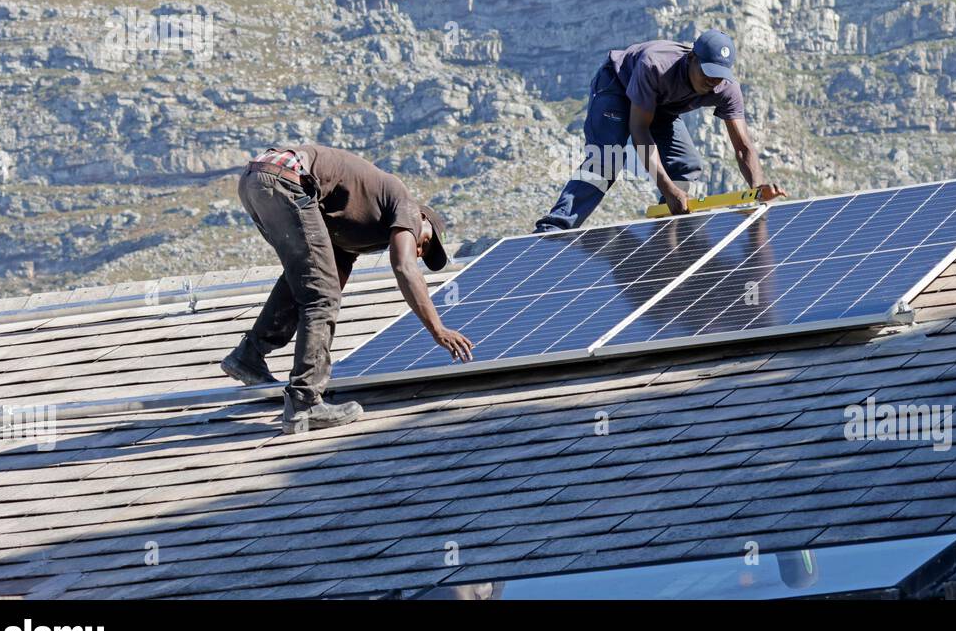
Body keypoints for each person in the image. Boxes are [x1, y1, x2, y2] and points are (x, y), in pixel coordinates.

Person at [221, 144, 474, 434]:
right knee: (321, 295)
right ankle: (305, 402)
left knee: (311, 285)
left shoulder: (352, 232)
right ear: (423, 220)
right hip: (287, 178)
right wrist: (437, 329)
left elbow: (322, 282)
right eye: (426, 244)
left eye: (423, 255)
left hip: (259, 179)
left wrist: (320, 300)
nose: (419, 251)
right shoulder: (407, 206)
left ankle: (248, 356)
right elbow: (404, 267)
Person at [535, 28, 785, 231]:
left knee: (686, 165)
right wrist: (668, 188)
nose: (712, 82)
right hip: (618, 88)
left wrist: (757, 190)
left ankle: (664, 237)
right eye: (708, 72)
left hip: (660, 105)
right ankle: (554, 227)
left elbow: (743, 147)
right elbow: (639, 130)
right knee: (607, 160)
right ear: (691, 59)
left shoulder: (727, 89)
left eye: (719, 76)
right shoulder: (655, 65)